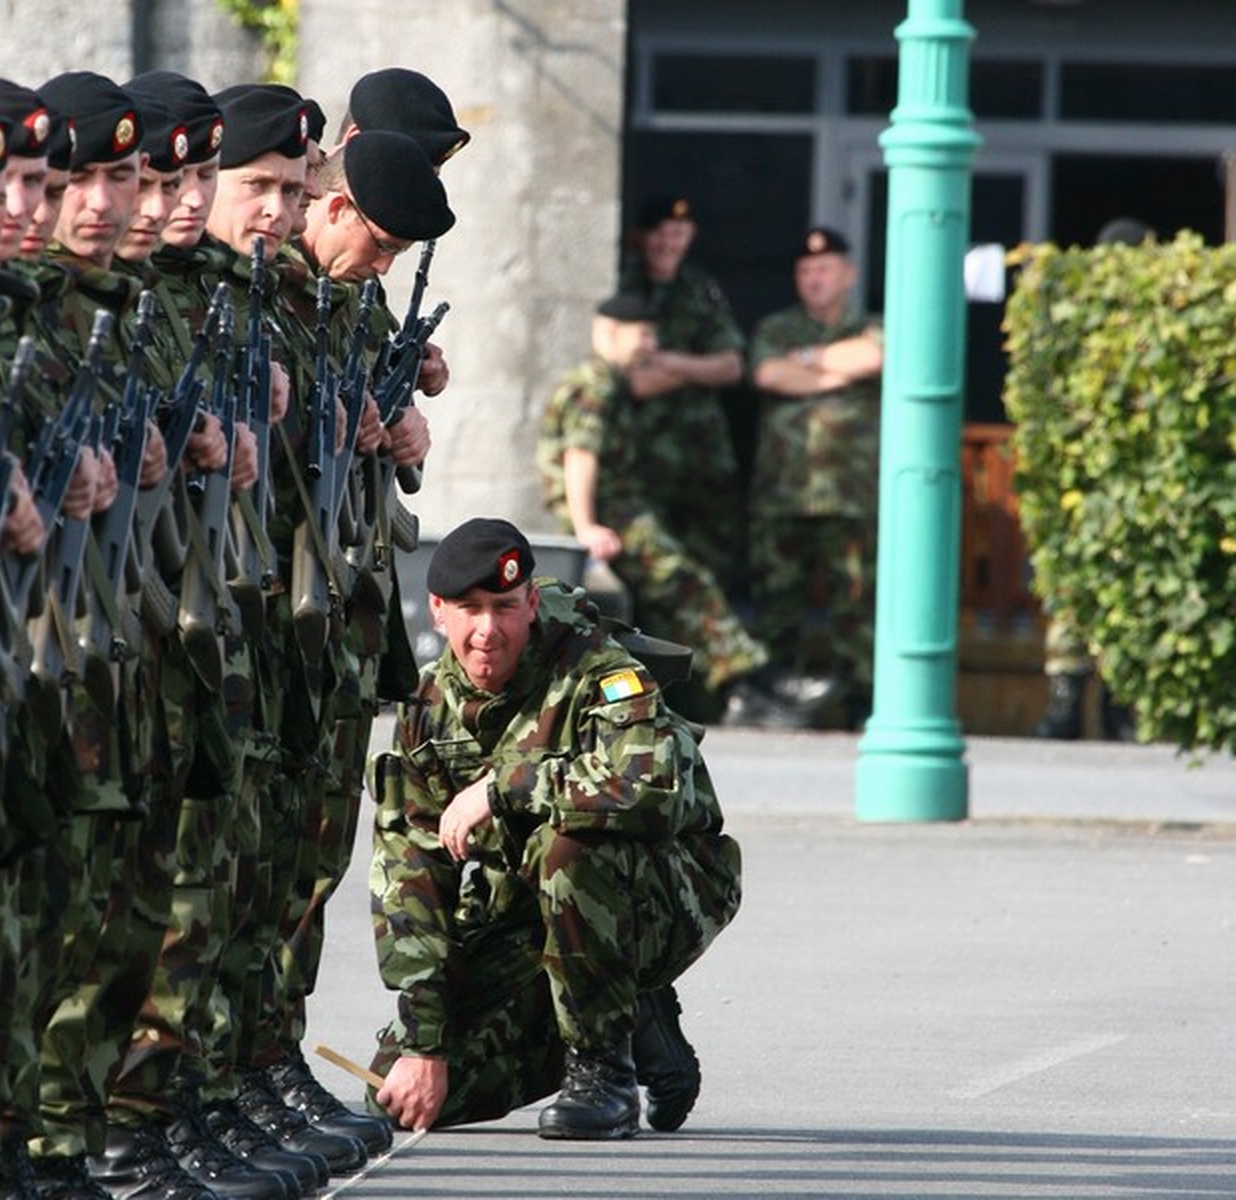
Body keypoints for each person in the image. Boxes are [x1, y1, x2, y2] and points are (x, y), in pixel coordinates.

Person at [365, 518, 742, 1139]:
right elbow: (409, 878)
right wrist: (425, 1044)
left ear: (532, 602)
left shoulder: (597, 668)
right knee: (396, 1091)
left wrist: (504, 787)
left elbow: (649, 787)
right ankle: (636, 1017)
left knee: (569, 843)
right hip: (529, 916)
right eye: (469, 609)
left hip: (663, 895)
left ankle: (602, 1072)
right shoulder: (427, 707)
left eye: (506, 608)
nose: (488, 631)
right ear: (437, 611)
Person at [537, 290, 828, 726]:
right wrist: (586, 526)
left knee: (675, 597)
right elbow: (581, 455)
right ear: (611, 332)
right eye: (645, 335)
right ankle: (754, 676)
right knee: (685, 582)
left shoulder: (608, 381)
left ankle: (729, 690)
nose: (652, 346)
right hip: (616, 513)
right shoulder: (595, 385)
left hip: (624, 508)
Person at [747, 226, 884, 727]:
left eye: (824, 269)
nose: (813, 279)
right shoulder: (777, 329)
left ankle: (860, 706)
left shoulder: (872, 326)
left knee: (856, 609)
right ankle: (778, 699)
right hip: (784, 494)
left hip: (852, 497)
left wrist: (805, 366)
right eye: (804, 271)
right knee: (779, 607)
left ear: (847, 273)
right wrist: (835, 373)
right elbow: (766, 374)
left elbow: (874, 357)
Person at [1031, 216, 1152, 742]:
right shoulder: (1072, 317)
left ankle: (1117, 705)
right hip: (1083, 475)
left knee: (1133, 588)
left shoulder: (1157, 319)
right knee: (1071, 588)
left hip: (1134, 475)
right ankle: (1068, 700)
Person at [617, 195, 746, 589]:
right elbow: (632, 378)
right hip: (643, 458)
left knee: (707, 572)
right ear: (641, 237)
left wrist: (668, 361)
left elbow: (731, 367)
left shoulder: (700, 288)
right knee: (651, 575)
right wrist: (697, 366)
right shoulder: (625, 284)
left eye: (678, 233)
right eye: (659, 233)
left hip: (702, 459)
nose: (668, 242)